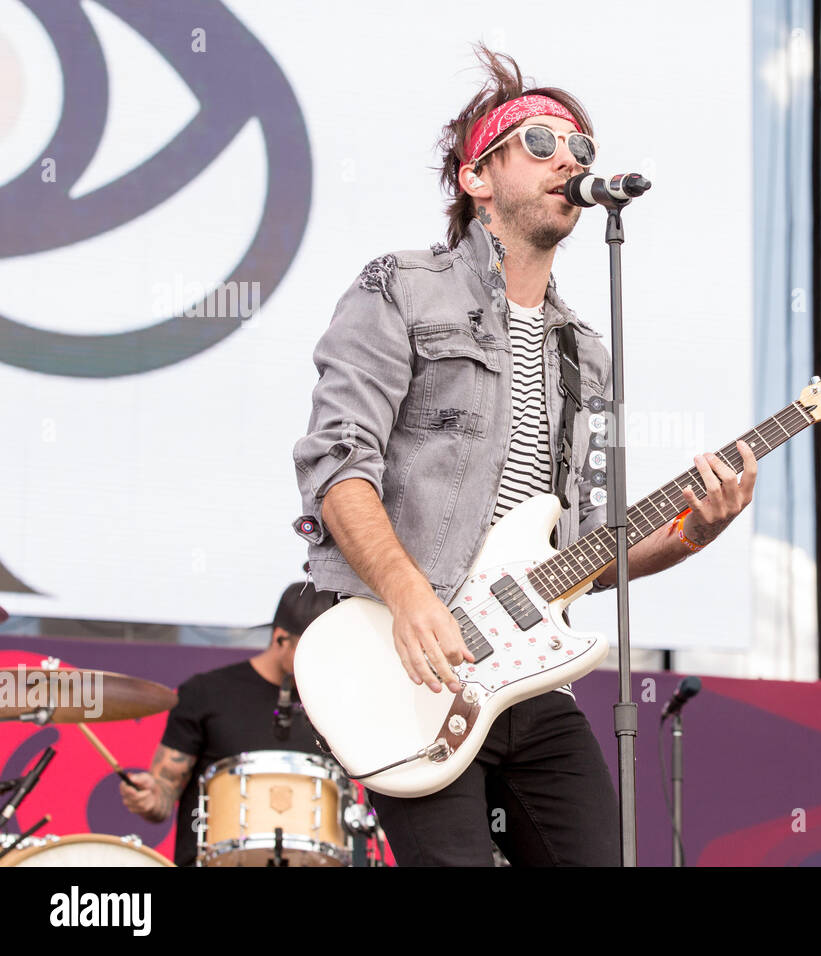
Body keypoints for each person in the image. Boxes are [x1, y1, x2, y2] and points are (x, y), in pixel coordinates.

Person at [290, 46, 756, 866]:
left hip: (531, 676)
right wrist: (409, 595)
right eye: (539, 143)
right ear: (477, 176)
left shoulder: (586, 354)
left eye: (581, 148)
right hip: (414, 657)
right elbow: (337, 462)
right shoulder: (400, 287)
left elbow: (591, 550)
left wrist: (694, 532)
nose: (568, 161)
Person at [119, 581, 336, 866]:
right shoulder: (206, 693)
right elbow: (162, 795)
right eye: (312, 648)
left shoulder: (334, 705)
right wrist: (150, 796)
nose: (322, 659)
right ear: (280, 639)